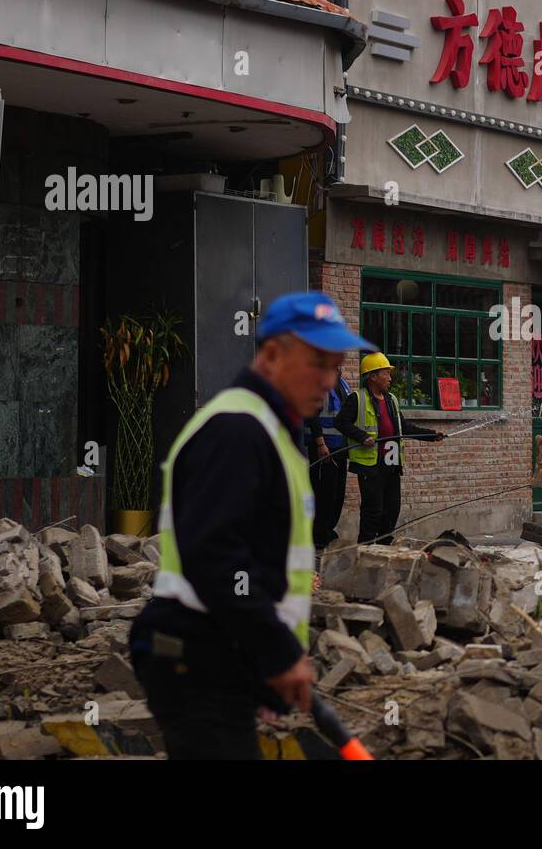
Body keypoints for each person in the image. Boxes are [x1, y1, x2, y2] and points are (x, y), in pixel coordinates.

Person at [129, 291, 374, 759]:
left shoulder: (268, 429)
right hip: (194, 652)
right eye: (317, 362)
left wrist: (266, 658)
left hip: (218, 652)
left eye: (335, 366)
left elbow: (253, 559)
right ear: (271, 354)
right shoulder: (237, 429)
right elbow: (217, 557)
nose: (328, 380)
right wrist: (278, 651)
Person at [335, 352, 445, 545]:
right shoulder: (357, 399)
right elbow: (341, 422)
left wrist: (431, 435)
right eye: (386, 373)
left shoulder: (391, 400)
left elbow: (404, 428)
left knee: (392, 509)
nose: (390, 377)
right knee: (373, 511)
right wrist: (362, 437)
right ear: (372, 376)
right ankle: (365, 551)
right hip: (370, 466)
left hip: (391, 465)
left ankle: (384, 550)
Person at [304, 373, 351, 548]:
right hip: (323, 448)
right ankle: (318, 536)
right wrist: (320, 442)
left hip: (340, 447)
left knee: (337, 494)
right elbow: (311, 414)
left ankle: (328, 530)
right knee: (324, 494)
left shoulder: (341, 382)